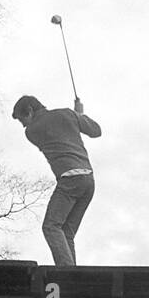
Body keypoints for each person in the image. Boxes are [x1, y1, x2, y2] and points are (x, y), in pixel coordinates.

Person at [12, 94, 101, 266]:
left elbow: (49, 128)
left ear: (30, 111)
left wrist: (75, 116)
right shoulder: (68, 114)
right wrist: (79, 115)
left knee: (51, 227)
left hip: (70, 180)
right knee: (66, 231)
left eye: (23, 120)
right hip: (88, 182)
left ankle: (67, 275)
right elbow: (96, 131)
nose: (23, 125)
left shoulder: (31, 132)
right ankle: (72, 273)